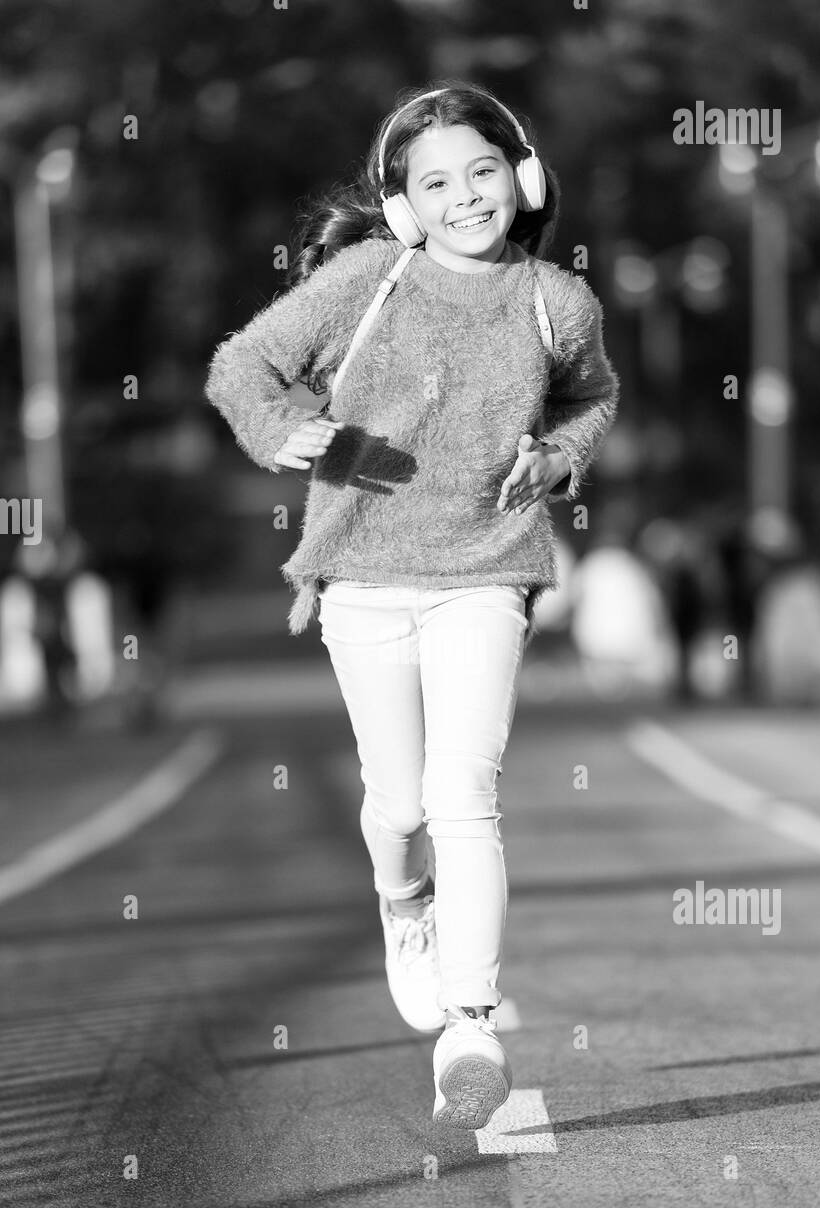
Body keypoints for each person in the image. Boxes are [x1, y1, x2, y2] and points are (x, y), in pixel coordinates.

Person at [205, 82, 619, 1129]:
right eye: (436, 182)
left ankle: (470, 1023)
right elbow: (242, 365)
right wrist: (280, 430)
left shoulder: (554, 302)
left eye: (483, 171)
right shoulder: (366, 281)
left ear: (520, 177)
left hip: (486, 567)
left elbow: (590, 396)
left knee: (461, 791)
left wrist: (557, 457)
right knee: (397, 806)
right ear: (403, 207)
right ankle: (404, 906)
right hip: (365, 574)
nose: (466, 197)